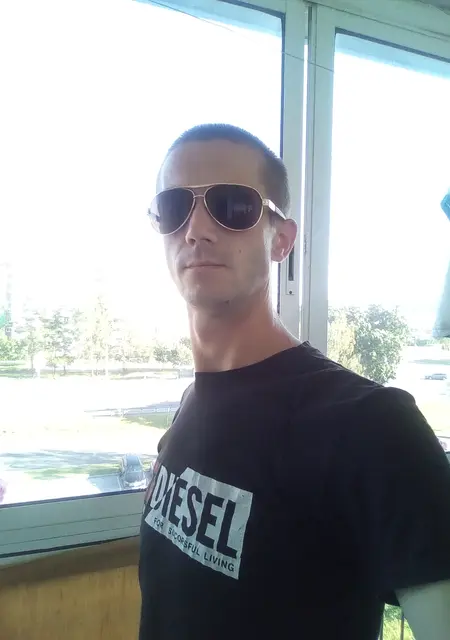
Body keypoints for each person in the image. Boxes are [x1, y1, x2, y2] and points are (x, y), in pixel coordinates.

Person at [139, 123, 450, 640]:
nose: (195, 230)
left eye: (232, 206)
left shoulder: (372, 427)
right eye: (174, 207)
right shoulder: (191, 404)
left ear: (281, 239)